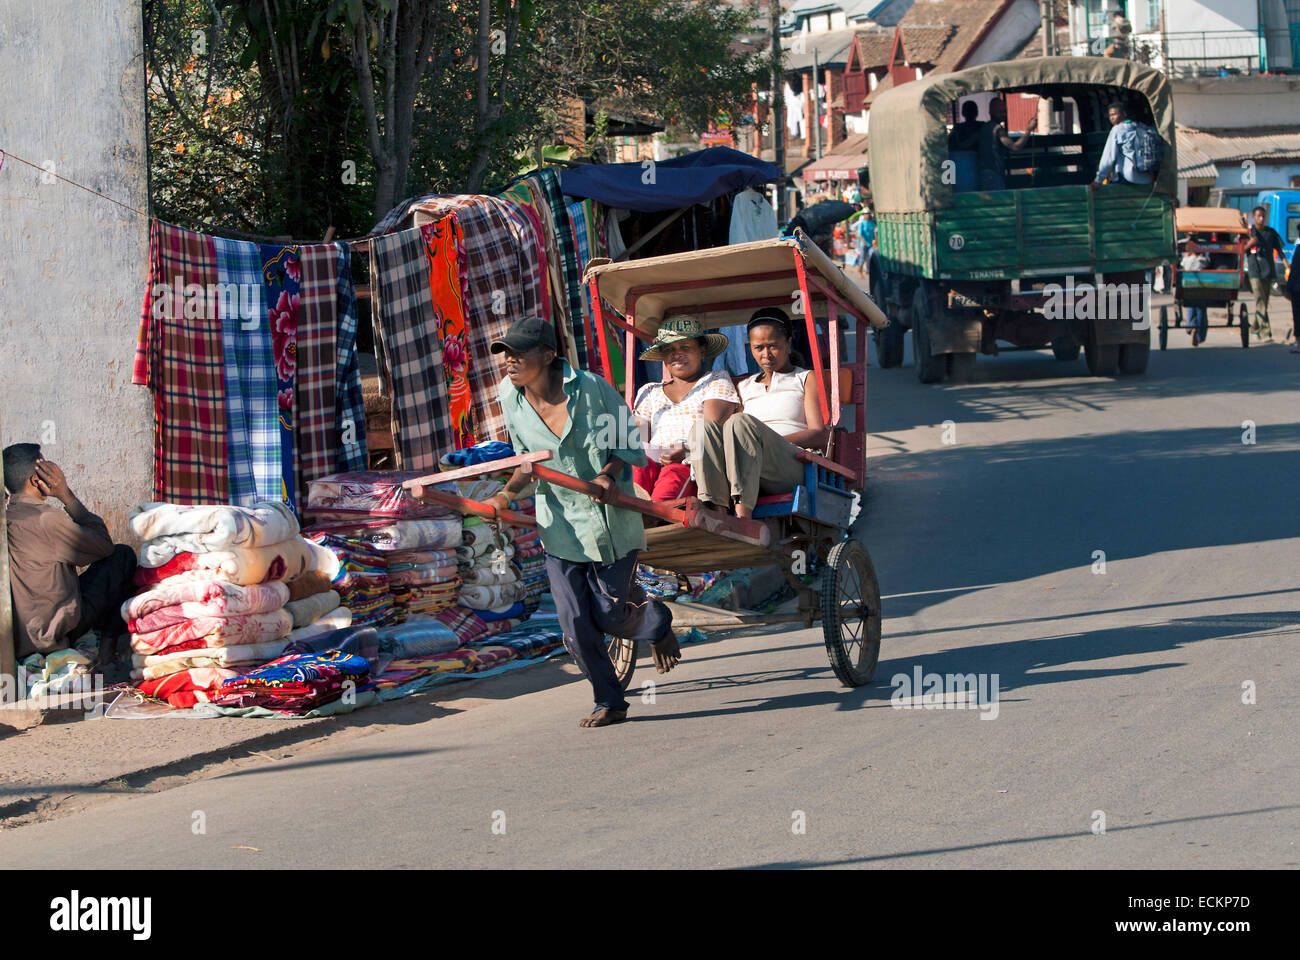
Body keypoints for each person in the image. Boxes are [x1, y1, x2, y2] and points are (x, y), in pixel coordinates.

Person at [481, 316, 679, 728]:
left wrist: (607, 473)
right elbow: (526, 461)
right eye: (506, 354)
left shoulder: (591, 389)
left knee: (609, 615)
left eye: (519, 353)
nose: (510, 362)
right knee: (573, 621)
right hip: (559, 524)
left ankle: (657, 621)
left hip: (610, 519)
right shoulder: (509, 395)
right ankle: (609, 700)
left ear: (549, 356)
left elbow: (628, 441)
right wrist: (503, 496)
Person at [3, 443, 136, 674]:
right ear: (36, 480)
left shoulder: (8, 517)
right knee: (121, 556)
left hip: (23, 635)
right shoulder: (45, 519)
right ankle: (106, 651)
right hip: (53, 634)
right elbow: (103, 546)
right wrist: (65, 494)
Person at [689, 314, 829, 520]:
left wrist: (764, 442)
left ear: (788, 343)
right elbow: (732, 435)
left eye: (773, 346)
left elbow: (819, 434)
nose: (766, 354)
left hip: (790, 464)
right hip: (748, 464)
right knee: (703, 428)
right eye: (758, 348)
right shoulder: (744, 386)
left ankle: (742, 516)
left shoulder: (804, 378)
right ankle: (717, 512)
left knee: (740, 423)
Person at [631, 316, 739, 501]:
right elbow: (638, 438)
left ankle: (651, 516)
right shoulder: (649, 391)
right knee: (636, 467)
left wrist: (684, 449)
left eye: (685, 348)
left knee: (670, 480)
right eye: (669, 350)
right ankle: (631, 511)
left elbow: (709, 429)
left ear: (702, 351)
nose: (676, 354)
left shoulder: (715, 379)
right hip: (654, 463)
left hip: (692, 464)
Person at [1090, 101, 1154, 188]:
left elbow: (1108, 158)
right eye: (1110, 115)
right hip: (1146, 178)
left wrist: (1098, 180)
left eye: (1114, 114)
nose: (1111, 118)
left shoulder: (1117, 130)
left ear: (1124, 114)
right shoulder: (1142, 127)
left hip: (1127, 177)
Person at [978, 98, 1037, 190]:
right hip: (993, 174)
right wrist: (1029, 130)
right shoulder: (997, 129)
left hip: (984, 173)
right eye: (1001, 112)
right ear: (993, 112)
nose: (1004, 114)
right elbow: (1015, 147)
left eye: (1005, 111)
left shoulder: (984, 127)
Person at [1246, 204, 1286, 340]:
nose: (1261, 219)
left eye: (1263, 216)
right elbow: (1241, 249)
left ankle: (1255, 327)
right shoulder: (1249, 232)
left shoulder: (1270, 233)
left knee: (1264, 300)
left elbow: (1280, 251)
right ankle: (1266, 331)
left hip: (1268, 271)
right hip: (1254, 271)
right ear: (1254, 217)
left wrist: (1287, 266)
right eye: (1259, 216)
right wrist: (1250, 243)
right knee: (1259, 299)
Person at [1180, 246, 1210, 346]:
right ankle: (1200, 335)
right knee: (1201, 309)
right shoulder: (1203, 261)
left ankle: (1191, 327)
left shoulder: (1185, 260)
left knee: (1190, 307)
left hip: (1188, 288)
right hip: (1202, 288)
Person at [1286, 241, 1300, 352]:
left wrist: (1289, 287)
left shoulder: (1299, 249)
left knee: (1298, 315)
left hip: (1297, 288)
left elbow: (1294, 270)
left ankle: (1298, 344)